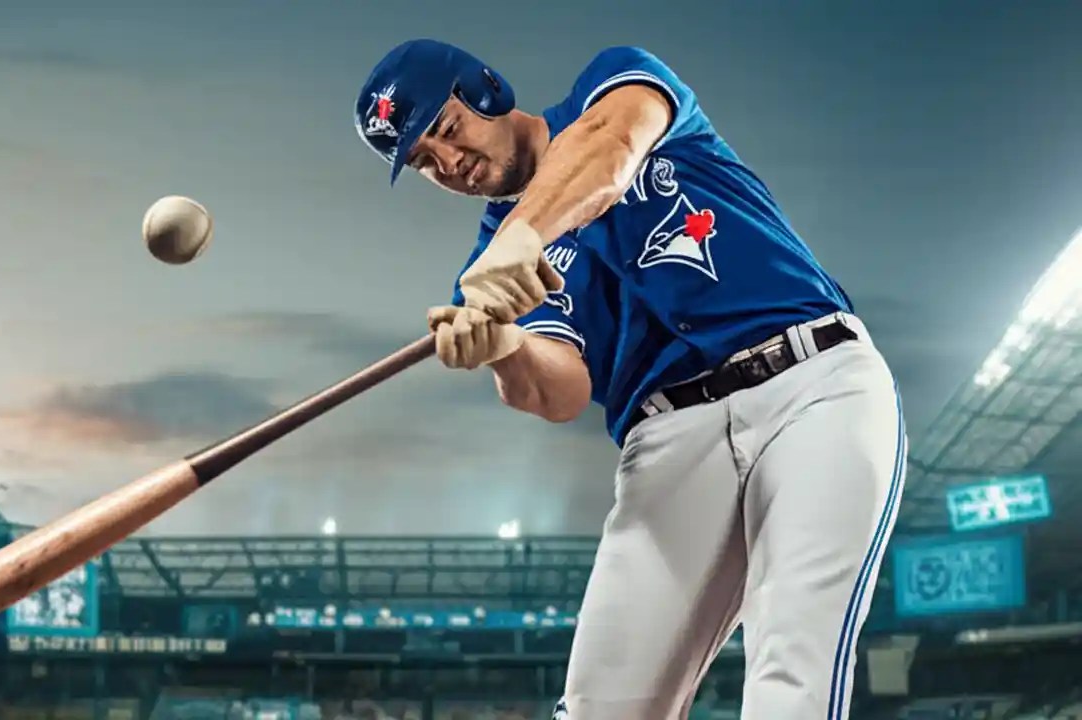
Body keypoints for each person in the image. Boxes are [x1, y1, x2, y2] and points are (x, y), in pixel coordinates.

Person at [354, 39, 908, 719]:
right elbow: (560, 391)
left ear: (485, 89)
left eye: (445, 129)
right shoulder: (489, 263)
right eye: (423, 162)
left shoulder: (610, 85)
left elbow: (610, 152)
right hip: (671, 437)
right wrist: (505, 349)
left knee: (795, 667)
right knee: (602, 707)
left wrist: (523, 237)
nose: (448, 162)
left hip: (811, 383)